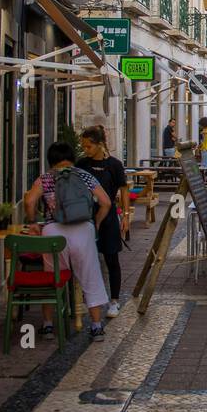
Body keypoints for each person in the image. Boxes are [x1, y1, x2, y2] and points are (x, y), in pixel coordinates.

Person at [23, 142, 113, 341]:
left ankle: (47, 325)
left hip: (53, 232)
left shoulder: (46, 178)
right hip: (83, 230)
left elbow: (29, 201)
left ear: (51, 159)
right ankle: (96, 326)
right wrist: (96, 223)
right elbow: (106, 202)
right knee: (90, 276)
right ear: (72, 158)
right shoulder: (84, 175)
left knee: (52, 277)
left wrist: (33, 223)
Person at [76, 125, 131, 318]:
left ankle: (114, 300)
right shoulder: (81, 164)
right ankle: (86, 299)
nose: (86, 150)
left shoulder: (114, 165)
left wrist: (126, 216)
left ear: (100, 145)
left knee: (111, 259)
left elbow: (124, 190)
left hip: (108, 219)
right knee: (85, 261)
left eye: (89, 146)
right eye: (83, 146)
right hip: (85, 218)